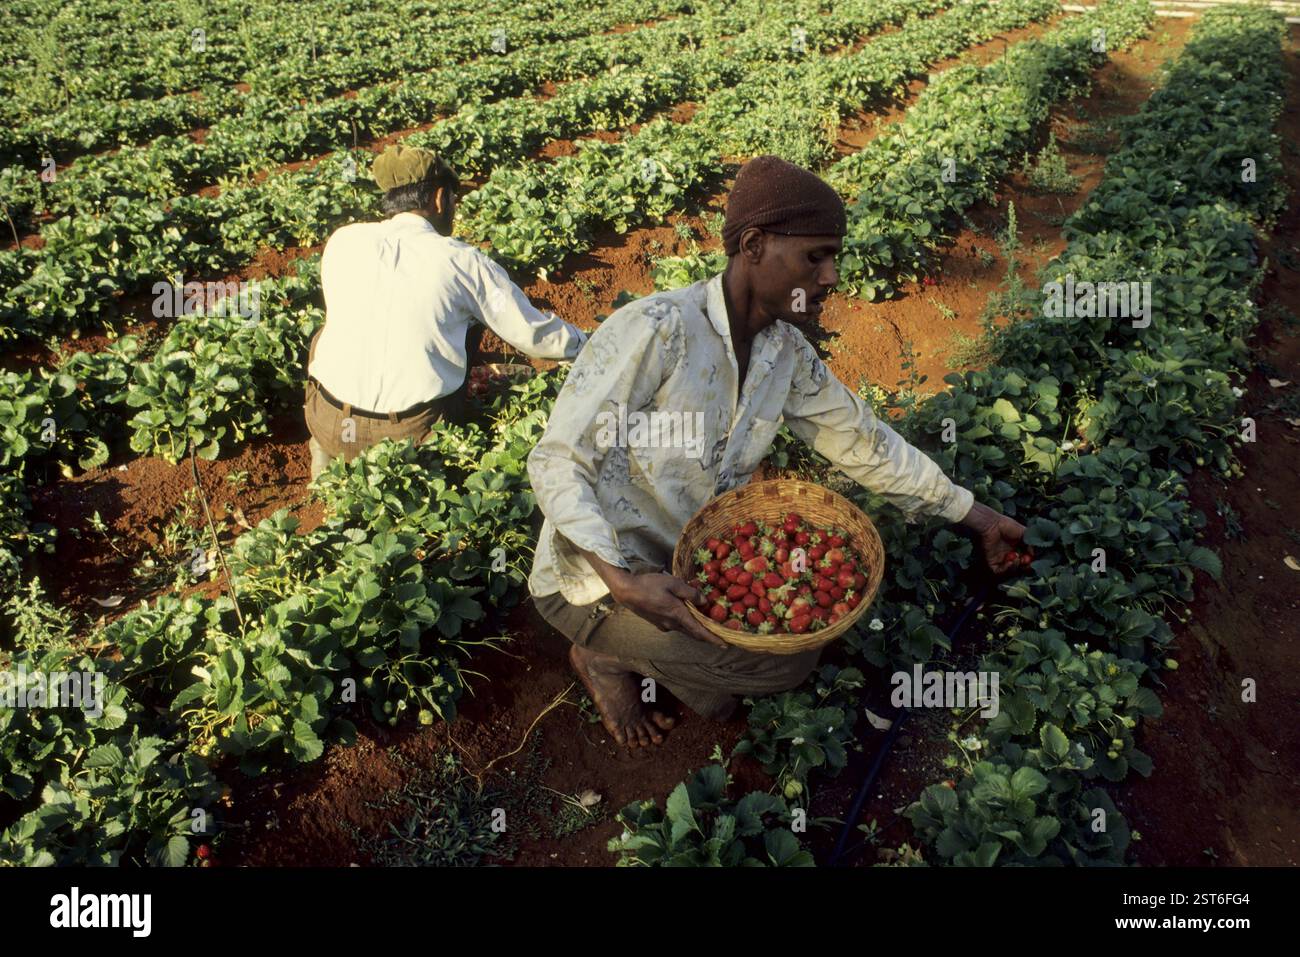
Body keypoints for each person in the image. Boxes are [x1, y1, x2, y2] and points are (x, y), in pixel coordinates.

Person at [527, 155, 1027, 749]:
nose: (832, 275)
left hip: (690, 564)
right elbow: (556, 461)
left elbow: (865, 444)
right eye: (815, 256)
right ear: (755, 245)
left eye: (834, 256)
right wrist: (623, 581)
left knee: (727, 689)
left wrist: (982, 519)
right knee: (778, 667)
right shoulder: (658, 329)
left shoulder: (784, 352)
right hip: (594, 578)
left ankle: (656, 656)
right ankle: (599, 653)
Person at [304, 144, 588, 479]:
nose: (455, 206)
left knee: (326, 333)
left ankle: (325, 452)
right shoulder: (462, 261)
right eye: (454, 198)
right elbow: (533, 336)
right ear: (439, 199)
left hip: (329, 421)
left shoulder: (343, 240)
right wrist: (590, 345)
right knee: (469, 323)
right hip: (408, 440)